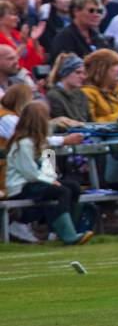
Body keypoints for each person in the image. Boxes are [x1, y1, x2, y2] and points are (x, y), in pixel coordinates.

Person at [4, 102, 93, 245]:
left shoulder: (42, 141)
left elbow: (48, 167)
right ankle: (68, 235)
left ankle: (71, 230)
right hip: (22, 186)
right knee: (62, 191)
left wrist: (51, 179)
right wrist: (50, 181)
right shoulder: (22, 143)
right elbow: (30, 173)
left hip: (38, 183)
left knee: (74, 187)